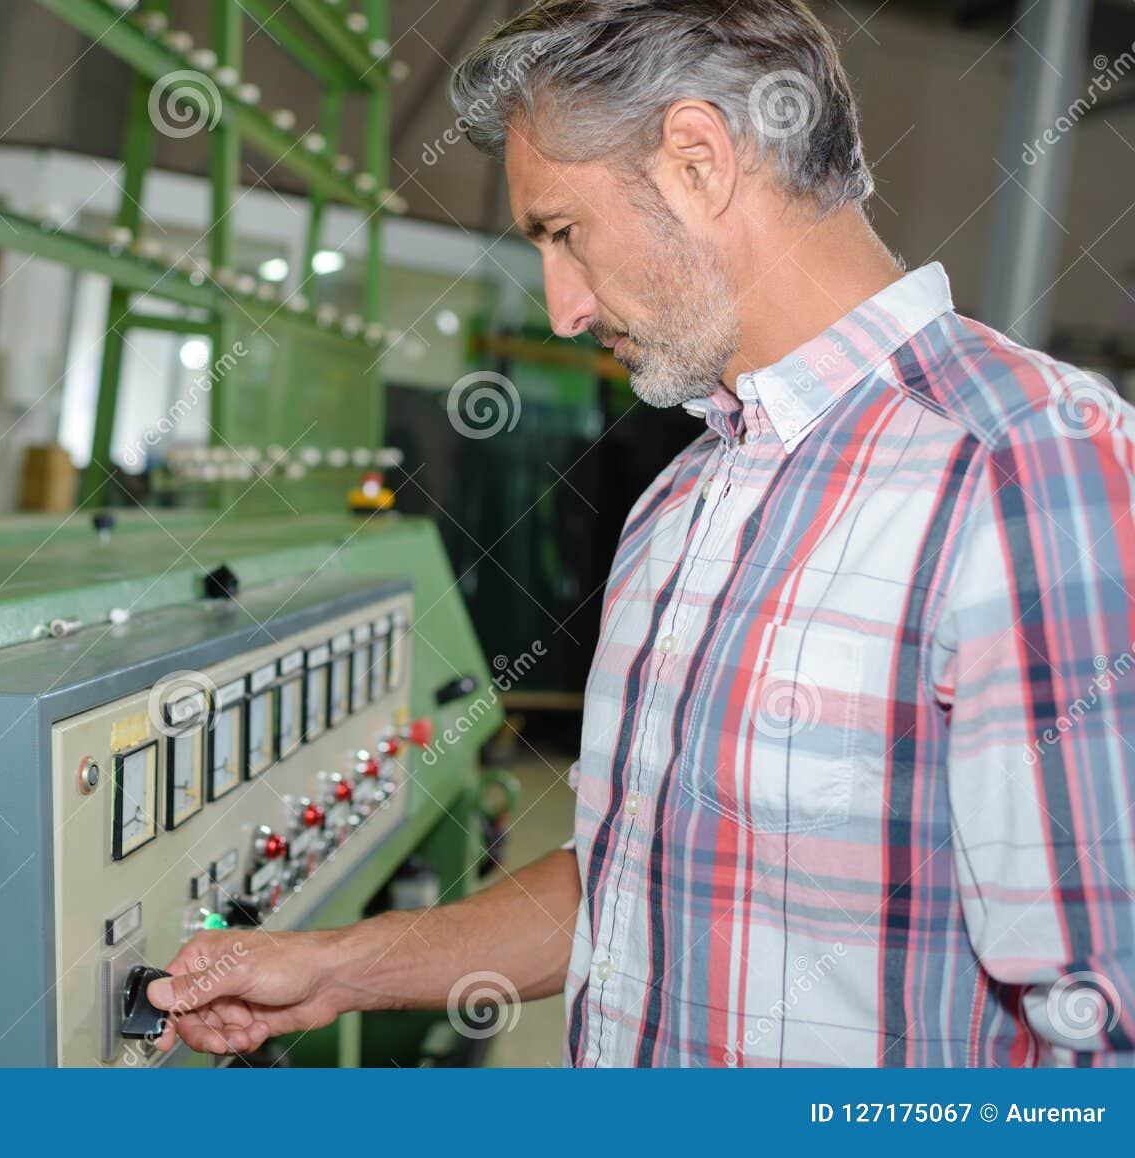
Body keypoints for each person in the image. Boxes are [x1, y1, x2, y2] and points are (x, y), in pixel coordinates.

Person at [151, 0, 1135, 1067]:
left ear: (698, 163)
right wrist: (334, 968)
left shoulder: (1024, 465)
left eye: (562, 233)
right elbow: (635, 884)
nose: (562, 307)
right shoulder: (681, 505)